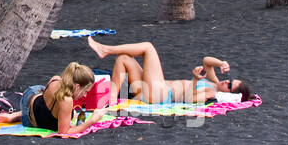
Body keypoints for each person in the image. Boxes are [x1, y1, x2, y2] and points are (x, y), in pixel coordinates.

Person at [87, 36, 253, 104]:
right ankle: (110, 100)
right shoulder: (214, 83)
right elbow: (206, 61)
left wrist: (195, 79)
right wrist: (221, 62)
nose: (227, 82)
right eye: (230, 80)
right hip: (151, 89)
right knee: (123, 59)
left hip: (161, 94)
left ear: (229, 94)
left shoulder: (212, 93)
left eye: (230, 86)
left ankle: (106, 49)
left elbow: (191, 99)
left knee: (148, 48)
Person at [0, 62, 113, 135]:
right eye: (85, 91)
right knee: (70, 114)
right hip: (29, 120)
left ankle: (16, 114)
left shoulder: (56, 79)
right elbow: (64, 132)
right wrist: (92, 120)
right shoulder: (67, 100)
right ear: (77, 86)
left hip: (30, 98)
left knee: (43, 93)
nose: (85, 95)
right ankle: (17, 115)